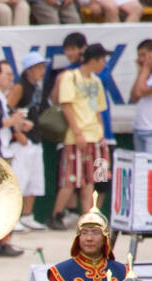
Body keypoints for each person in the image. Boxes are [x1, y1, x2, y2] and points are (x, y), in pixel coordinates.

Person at [51, 45, 112, 232]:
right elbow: (67, 105)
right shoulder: (71, 77)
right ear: (93, 60)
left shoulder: (96, 81)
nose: (104, 64)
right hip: (76, 137)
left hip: (95, 137)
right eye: (102, 60)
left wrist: (101, 134)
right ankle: (56, 215)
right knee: (71, 179)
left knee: (89, 181)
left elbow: (98, 109)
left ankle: (88, 217)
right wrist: (77, 132)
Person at [6, 52, 49, 232]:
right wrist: (16, 133)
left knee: (34, 181)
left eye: (42, 67)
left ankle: (27, 215)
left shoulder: (37, 88)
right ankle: (12, 218)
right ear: (28, 70)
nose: (42, 71)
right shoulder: (19, 87)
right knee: (19, 181)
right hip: (22, 143)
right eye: (38, 67)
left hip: (35, 140)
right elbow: (6, 109)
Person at [132, 40, 152, 155]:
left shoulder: (146, 72)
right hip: (139, 128)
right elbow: (134, 97)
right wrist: (140, 73)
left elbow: (140, 92)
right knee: (140, 170)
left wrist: (145, 69)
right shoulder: (145, 75)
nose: (141, 59)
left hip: (150, 131)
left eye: (144, 55)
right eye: (139, 56)